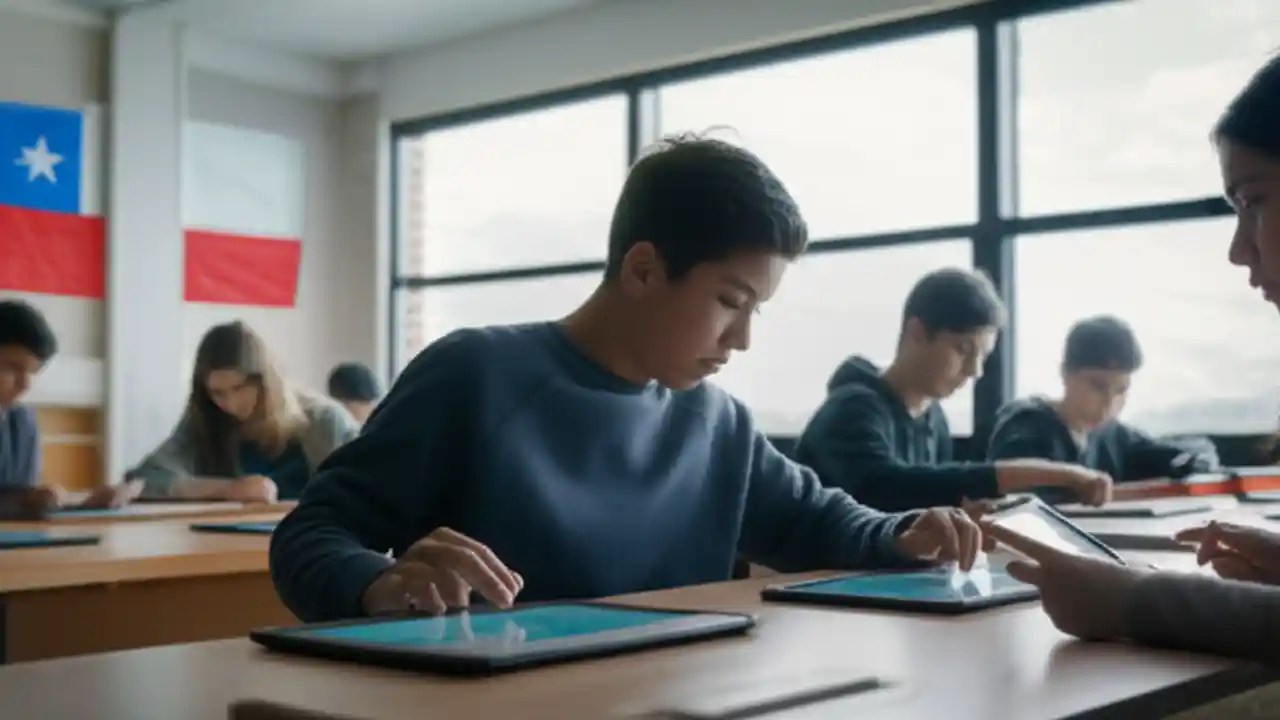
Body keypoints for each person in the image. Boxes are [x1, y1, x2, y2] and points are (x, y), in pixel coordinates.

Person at [270, 136, 988, 623]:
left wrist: (902, 533)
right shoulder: (476, 375)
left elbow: (822, 521)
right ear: (643, 269)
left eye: (756, 310)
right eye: (730, 303)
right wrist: (375, 581)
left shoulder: (718, 423)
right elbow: (312, 533)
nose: (741, 340)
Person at [988, 54, 1280, 664]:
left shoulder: (1116, 436)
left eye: (1254, 201)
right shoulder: (1029, 427)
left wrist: (1135, 600)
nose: (1237, 250)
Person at [794, 268, 1113, 513]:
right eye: (963, 349)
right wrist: (1061, 474)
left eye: (983, 357)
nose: (975, 371)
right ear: (917, 332)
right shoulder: (852, 408)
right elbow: (885, 487)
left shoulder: (935, 419)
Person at [127, 321, 359, 503]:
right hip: (229, 550)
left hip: (310, 548)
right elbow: (146, 476)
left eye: (239, 388)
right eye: (217, 392)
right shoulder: (208, 418)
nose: (230, 402)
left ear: (264, 382)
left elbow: (359, 492)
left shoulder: (326, 423)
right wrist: (228, 489)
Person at [988, 315, 1216, 500]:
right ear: (1066, 373)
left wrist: (1191, 463)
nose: (1109, 403)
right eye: (1098, 386)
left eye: (1121, 390)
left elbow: (1192, 450)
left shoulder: (1113, 436)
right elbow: (1017, 502)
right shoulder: (1025, 428)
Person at [0, 300, 138, 519]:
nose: (25, 384)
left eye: (33, 372)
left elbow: (24, 499)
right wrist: (26, 501)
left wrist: (84, 502)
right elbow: (19, 500)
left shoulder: (22, 421)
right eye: (11, 367)